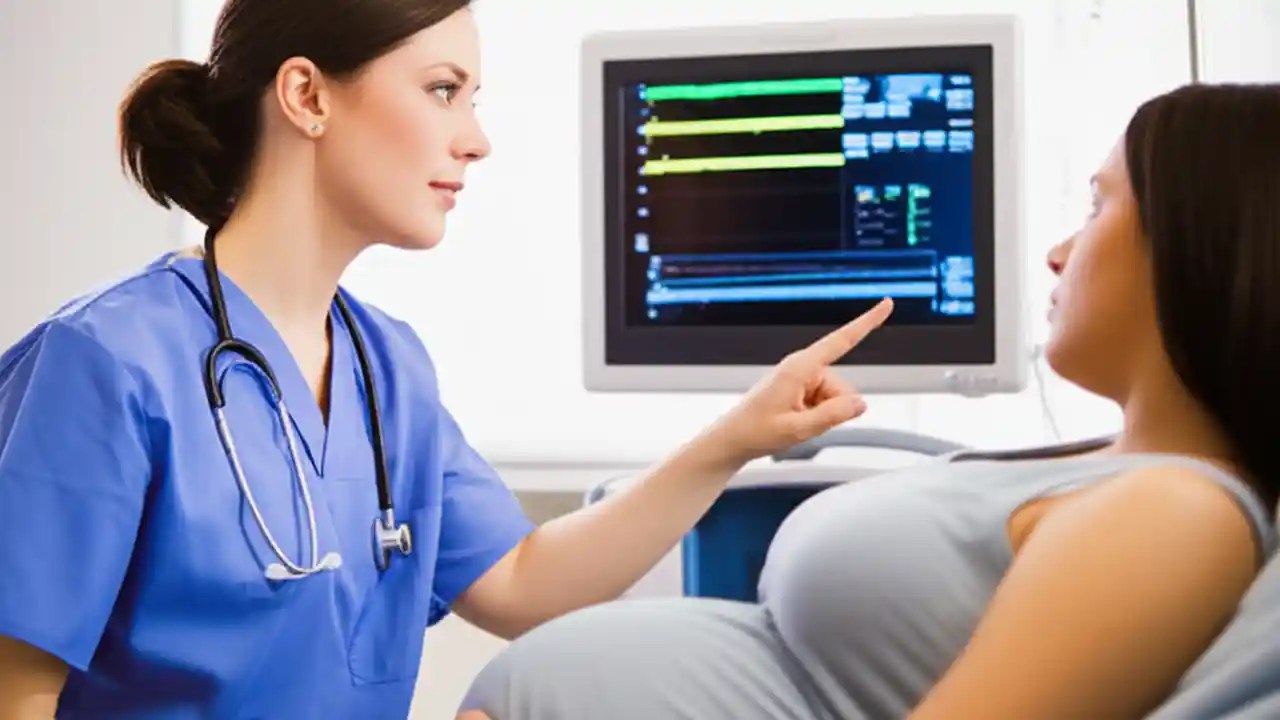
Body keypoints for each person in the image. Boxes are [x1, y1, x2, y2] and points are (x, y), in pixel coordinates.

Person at [0, 2, 896, 718]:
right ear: (307, 96)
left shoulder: (388, 368)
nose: (475, 139)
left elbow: (520, 584)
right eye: (442, 89)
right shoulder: (104, 364)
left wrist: (738, 436)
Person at [456, 82, 1280, 720]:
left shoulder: (1174, 514)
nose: (1061, 251)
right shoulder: (1116, 473)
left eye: (1098, 205)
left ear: (1199, 241)